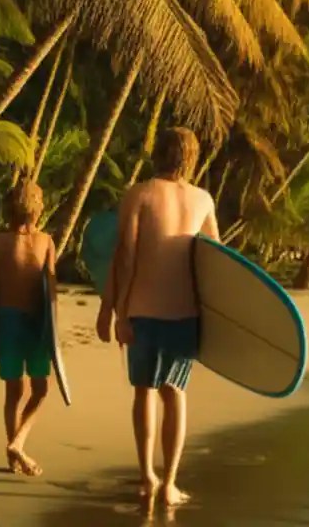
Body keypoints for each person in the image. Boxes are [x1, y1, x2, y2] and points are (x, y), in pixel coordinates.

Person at [96, 127, 218, 506]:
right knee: (175, 394)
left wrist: (113, 310)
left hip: (143, 310)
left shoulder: (140, 194)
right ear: (192, 158)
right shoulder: (203, 199)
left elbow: (126, 255)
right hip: (185, 313)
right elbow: (216, 260)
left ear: (157, 153)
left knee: (145, 390)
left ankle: (147, 475)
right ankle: (170, 483)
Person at [0, 180, 57, 477]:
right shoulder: (46, 242)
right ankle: (18, 443)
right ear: (37, 209)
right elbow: (52, 293)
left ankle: (13, 456)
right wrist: (54, 337)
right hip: (36, 321)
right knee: (41, 389)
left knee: (13, 392)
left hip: (5, 321)